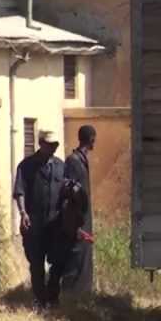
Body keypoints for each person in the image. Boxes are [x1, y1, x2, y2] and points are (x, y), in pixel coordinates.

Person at [13, 129, 67, 307]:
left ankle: (53, 296)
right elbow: (19, 191)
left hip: (55, 224)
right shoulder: (26, 166)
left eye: (55, 145)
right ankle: (40, 299)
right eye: (50, 144)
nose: (53, 148)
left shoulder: (61, 166)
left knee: (58, 262)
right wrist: (23, 213)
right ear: (40, 143)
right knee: (36, 264)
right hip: (34, 224)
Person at [61, 125, 97, 291]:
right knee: (75, 262)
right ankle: (71, 298)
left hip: (84, 220)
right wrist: (75, 224)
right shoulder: (73, 161)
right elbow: (68, 191)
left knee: (83, 259)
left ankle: (83, 297)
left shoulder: (81, 160)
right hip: (77, 221)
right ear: (91, 139)